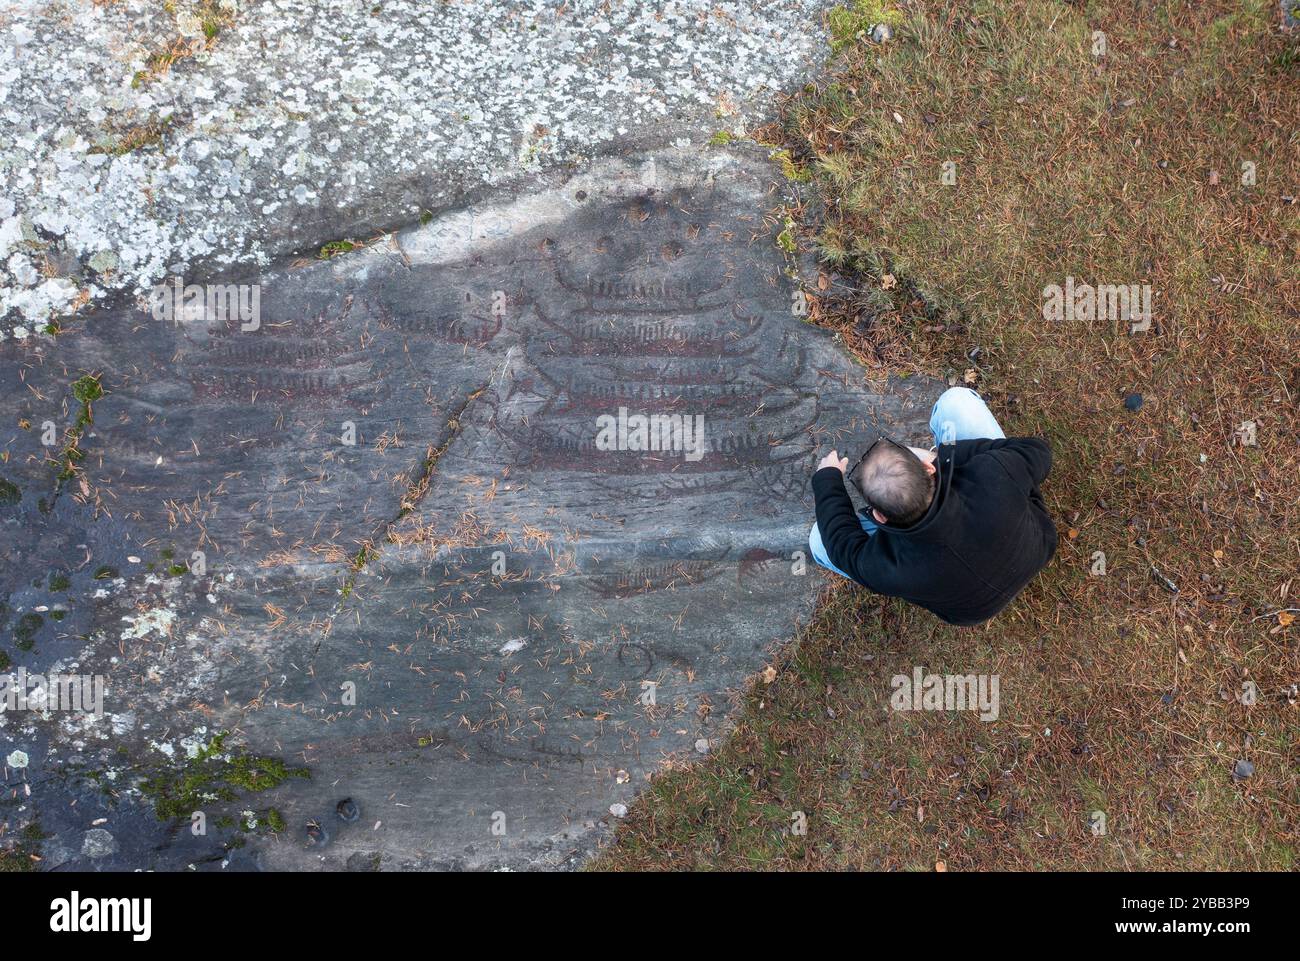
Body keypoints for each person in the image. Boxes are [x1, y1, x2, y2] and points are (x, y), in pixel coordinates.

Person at [809, 387, 1056, 626]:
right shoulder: (994, 473)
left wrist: (827, 477)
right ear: (929, 469)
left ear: (880, 517)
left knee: (819, 541)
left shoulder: (885, 568)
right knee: (956, 401)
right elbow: (1038, 452)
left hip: (974, 610)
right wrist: (946, 458)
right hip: (1038, 549)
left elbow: (840, 542)